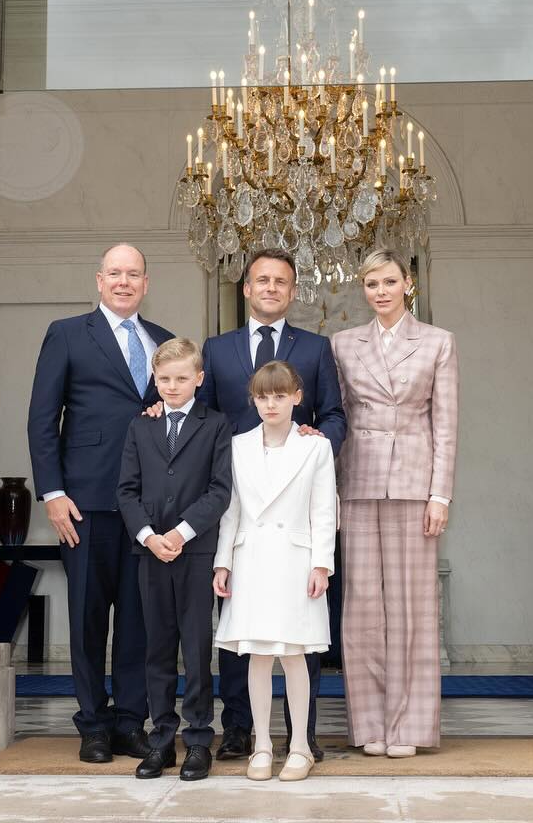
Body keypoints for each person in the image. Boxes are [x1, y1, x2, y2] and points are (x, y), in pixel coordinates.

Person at [195, 247, 346, 763]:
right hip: (241, 499)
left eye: (281, 281)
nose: (271, 288)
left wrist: (313, 438)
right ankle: (239, 728)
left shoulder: (316, 348)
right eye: (262, 280)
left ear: (293, 290)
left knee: (301, 639)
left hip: (297, 503)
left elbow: (335, 415)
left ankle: (300, 736)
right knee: (243, 632)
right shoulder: (216, 350)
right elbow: (204, 422)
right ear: (246, 288)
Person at [28, 244, 173, 763]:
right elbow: (42, 419)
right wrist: (53, 492)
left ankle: (131, 721)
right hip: (83, 503)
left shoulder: (165, 344)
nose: (123, 282)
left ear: (145, 283)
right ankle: (91, 724)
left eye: (133, 274)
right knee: (87, 617)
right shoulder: (67, 334)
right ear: (98, 280)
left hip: (148, 507)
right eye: (115, 273)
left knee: (139, 620)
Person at [330, 248, 457, 758]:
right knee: (361, 610)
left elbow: (445, 425)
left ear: (409, 284)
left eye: (388, 282)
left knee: (413, 609)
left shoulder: (437, 342)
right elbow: (336, 420)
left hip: (414, 484)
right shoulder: (342, 344)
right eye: (370, 284)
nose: (380, 291)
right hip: (356, 484)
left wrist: (440, 494)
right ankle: (370, 726)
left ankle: (411, 727)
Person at [213, 360, 338, 783]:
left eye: (280, 395)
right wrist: (223, 561)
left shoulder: (316, 447)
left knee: (295, 654)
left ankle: (300, 745)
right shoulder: (238, 445)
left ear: (296, 397)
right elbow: (230, 510)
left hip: (296, 560)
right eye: (263, 396)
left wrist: (322, 563)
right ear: (254, 399)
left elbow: (324, 509)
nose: (271, 404)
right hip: (251, 557)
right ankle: (262, 745)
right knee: (258, 655)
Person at [116, 338, 232, 781]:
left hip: (196, 551)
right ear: (154, 380)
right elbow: (126, 490)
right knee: (157, 648)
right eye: (164, 379)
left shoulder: (217, 425)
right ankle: (162, 739)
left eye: (182, 378)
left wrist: (180, 533)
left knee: (197, 647)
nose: (173, 386)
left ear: (199, 379)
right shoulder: (140, 427)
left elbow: (220, 490)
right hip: (151, 554)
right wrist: (149, 536)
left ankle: (199, 739)